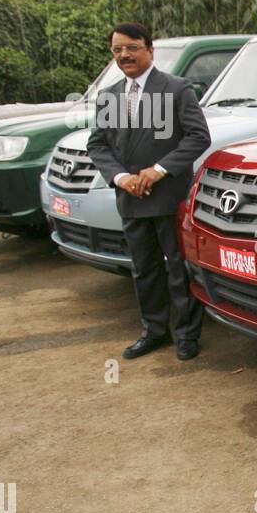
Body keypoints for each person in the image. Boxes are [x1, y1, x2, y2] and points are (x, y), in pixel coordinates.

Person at [87, 22, 211, 362]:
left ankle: (187, 335)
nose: (124, 55)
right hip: (130, 198)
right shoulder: (109, 97)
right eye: (117, 50)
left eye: (131, 47)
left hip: (169, 197)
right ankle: (154, 332)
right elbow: (97, 146)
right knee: (143, 270)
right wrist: (120, 178)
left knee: (178, 269)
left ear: (149, 49)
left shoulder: (176, 89)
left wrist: (156, 171)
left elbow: (198, 137)